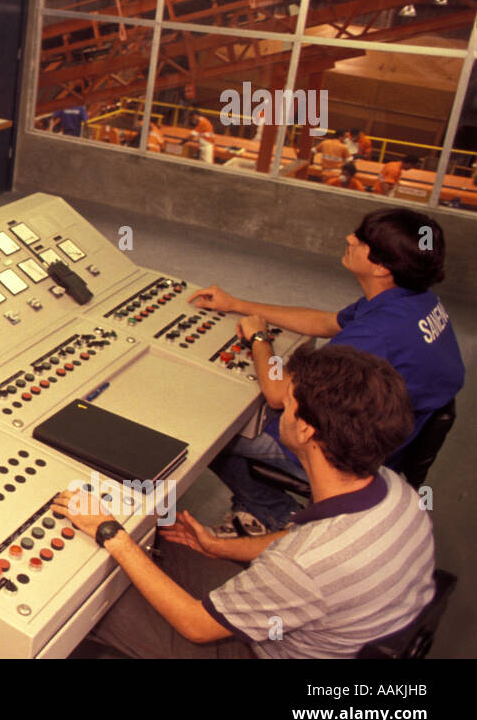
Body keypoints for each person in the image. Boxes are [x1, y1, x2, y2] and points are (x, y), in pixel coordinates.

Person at [59, 344, 435, 659]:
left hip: (263, 651)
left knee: (80, 607)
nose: (281, 411)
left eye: (287, 405)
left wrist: (110, 531)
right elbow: (300, 541)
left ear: (305, 429)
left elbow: (197, 625)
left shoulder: (303, 566)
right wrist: (219, 547)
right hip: (350, 618)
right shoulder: (392, 486)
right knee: (158, 541)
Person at [189, 207, 464, 533]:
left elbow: (277, 394)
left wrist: (260, 339)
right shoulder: (413, 298)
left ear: (380, 267)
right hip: (387, 437)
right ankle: (260, 508)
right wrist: (238, 305)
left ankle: (279, 519)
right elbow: (325, 322)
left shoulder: (379, 332)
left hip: (347, 458)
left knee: (211, 429)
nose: (350, 237)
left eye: (361, 239)